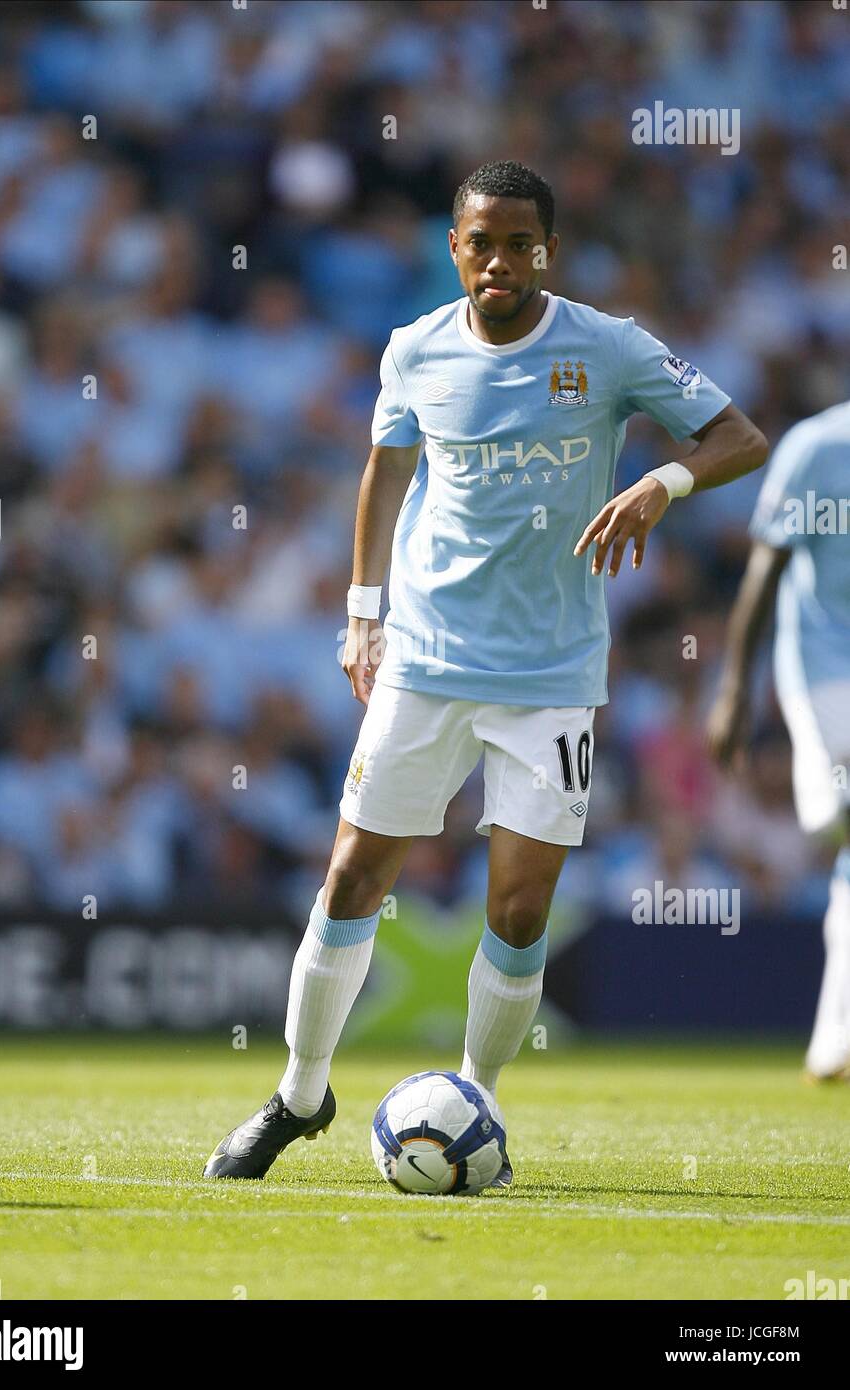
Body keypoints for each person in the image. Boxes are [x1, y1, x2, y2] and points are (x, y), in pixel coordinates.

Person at [205, 160, 767, 1183]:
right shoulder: (414, 348)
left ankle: (477, 1106)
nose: (499, 260)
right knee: (351, 873)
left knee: (517, 909)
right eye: (481, 242)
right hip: (424, 658)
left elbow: (741, 434)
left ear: (547, 249)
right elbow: (385, 472)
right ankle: (297, 1094)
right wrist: (363, 614)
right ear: (454, 247)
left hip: (552, 673)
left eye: (520, 242)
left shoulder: (607, 348)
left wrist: (661, 483)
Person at [708, 400, 850, 1082]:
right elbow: (764, 571)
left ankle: (835, 1038)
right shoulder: (819, 446)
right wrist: (735, 690)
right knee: (843, 826)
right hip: (825, 669)